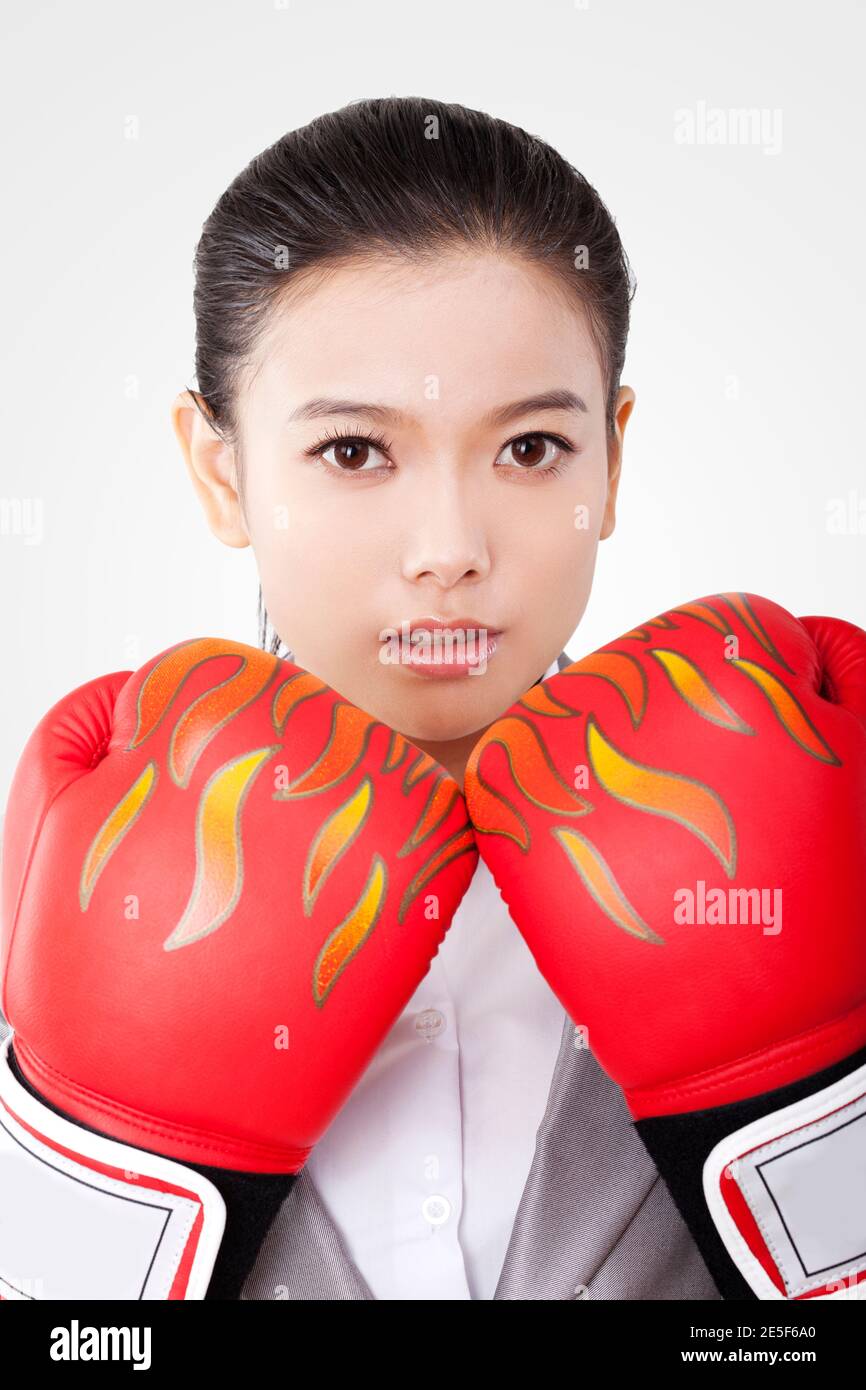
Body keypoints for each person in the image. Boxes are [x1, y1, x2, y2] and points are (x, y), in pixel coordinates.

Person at [165, 94, 720, 1301]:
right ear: (221, 473)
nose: (449, 548)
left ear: (610, 462)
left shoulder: (769, 880)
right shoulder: (75, 899)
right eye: (354, 451)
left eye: (528, 448)